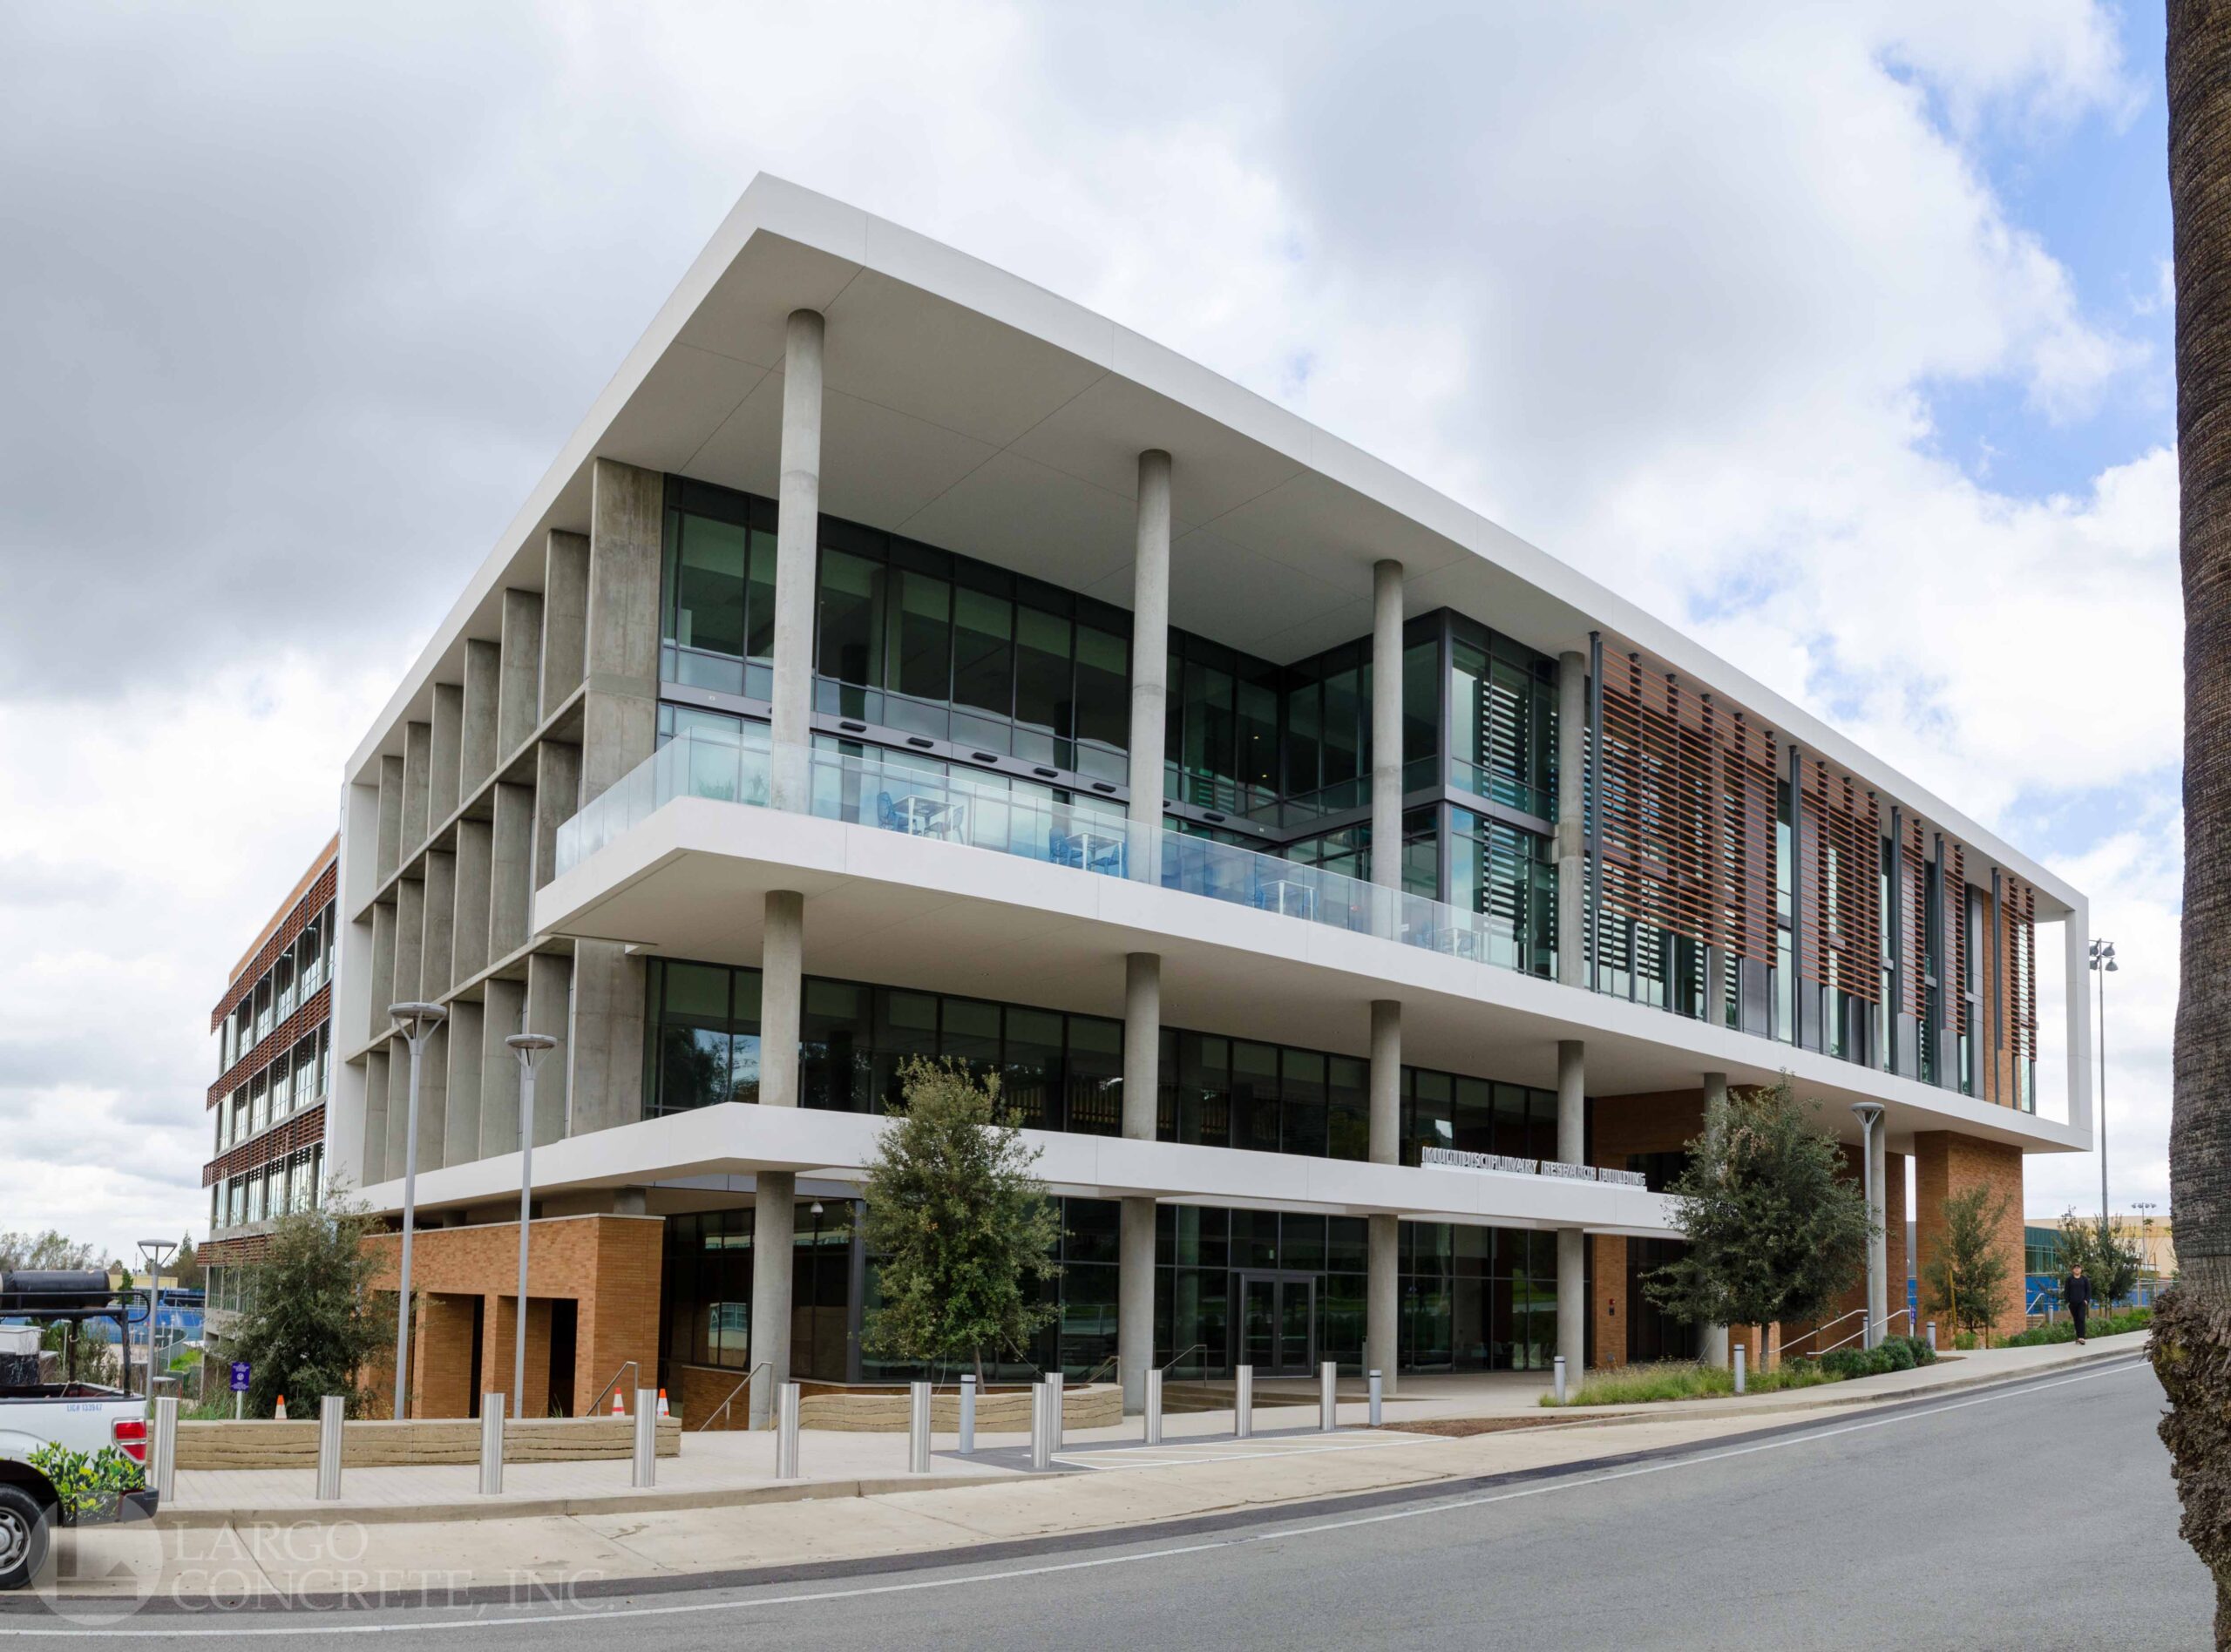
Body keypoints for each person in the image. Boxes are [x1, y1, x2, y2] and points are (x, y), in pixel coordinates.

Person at [2065, 1263, 2092, 1344]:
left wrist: (2086, 1300)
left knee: (2081, 1318)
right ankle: (2078, 1337)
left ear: (2081, 1270)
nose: (2077, 1269)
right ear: (2073, 1270)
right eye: (2075, 1268)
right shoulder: (2069, 1279)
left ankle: (2082, 1337)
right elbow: (2066, 1291)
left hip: (2082, 1303)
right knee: (2076, 1319)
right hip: (2073, 1303)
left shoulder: (2085, 1279)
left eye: (2078, 1268)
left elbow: (2088, 1290)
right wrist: (2067, 1301)